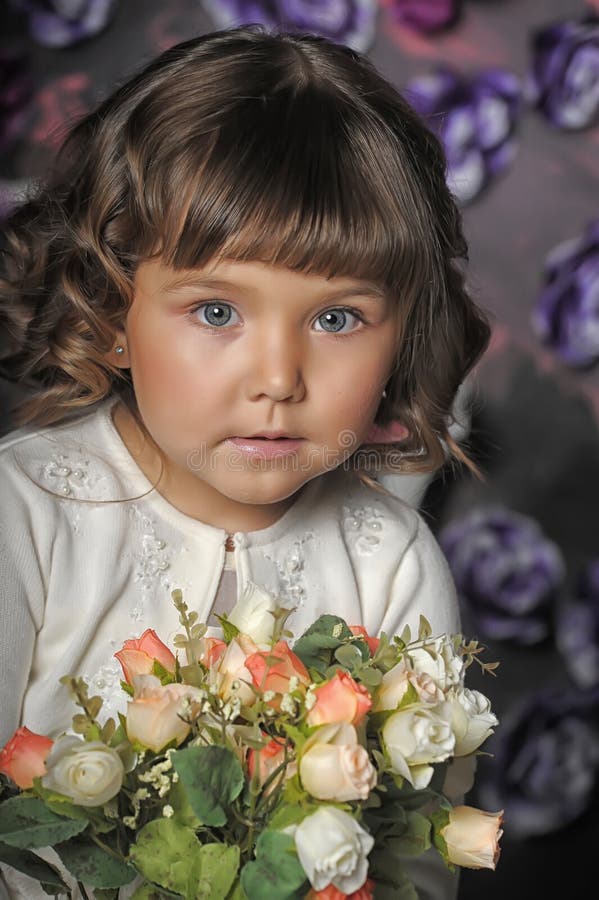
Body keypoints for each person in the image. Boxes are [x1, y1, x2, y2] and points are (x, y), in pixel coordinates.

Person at [0, 24, 491, 899]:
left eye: (336, 319)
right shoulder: (25, 516)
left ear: (401, 338)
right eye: (217, 312)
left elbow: (418, 859)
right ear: (110, 311)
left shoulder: (390, 561)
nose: (277, 379)